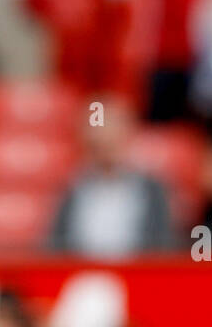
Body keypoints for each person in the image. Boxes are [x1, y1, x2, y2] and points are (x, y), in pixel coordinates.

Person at [49, 96, 177, 257]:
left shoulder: (153, 191)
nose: (105, 149)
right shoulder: (71, 190)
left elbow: (163, 248)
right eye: (99, 144)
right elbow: (56, 248)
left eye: (111, 140)